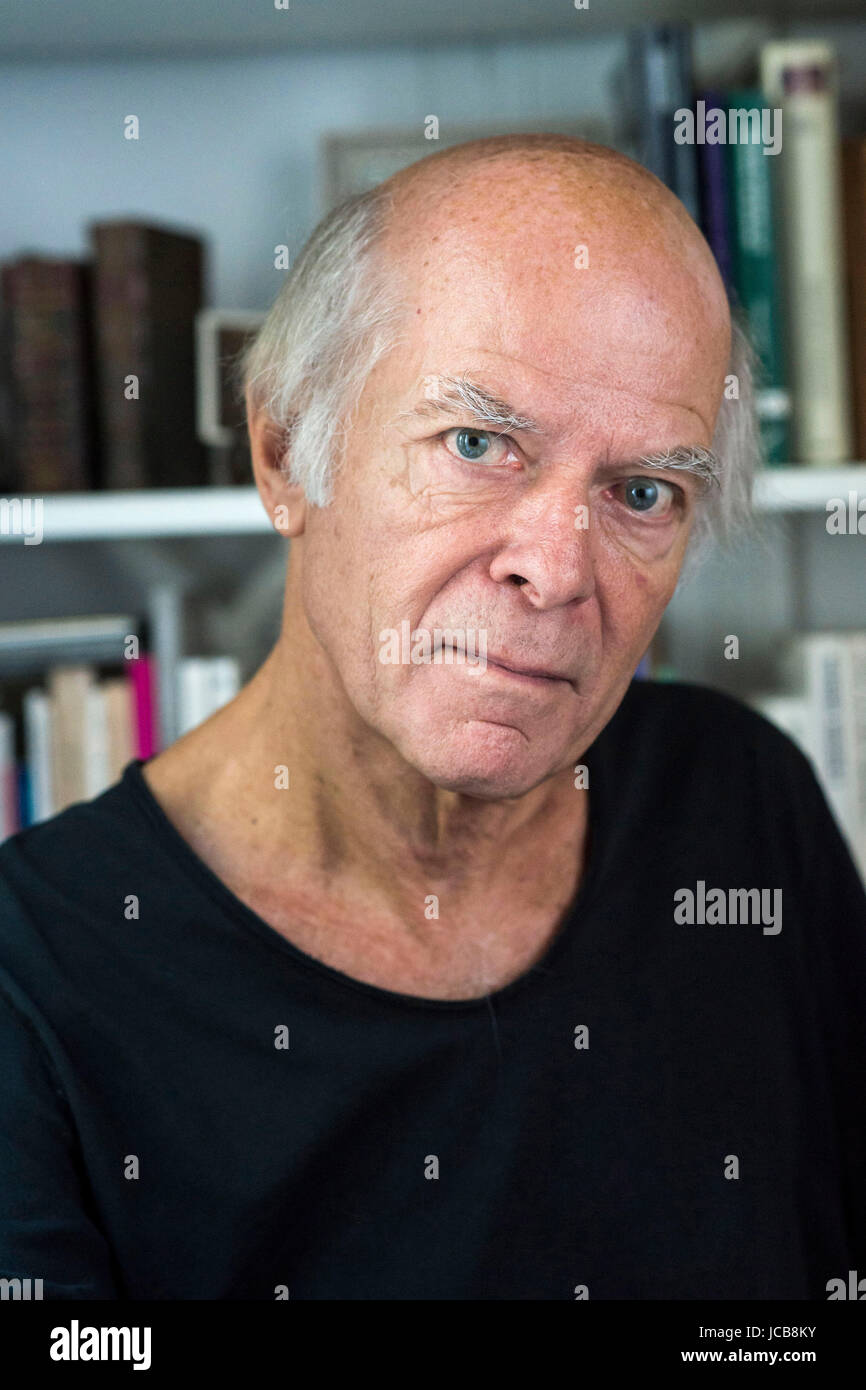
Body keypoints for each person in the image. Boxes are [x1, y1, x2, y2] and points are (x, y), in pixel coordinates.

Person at [1, 136, 864, 1301]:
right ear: (283, 451)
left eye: (642, 492)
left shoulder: (736, 802)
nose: (555, 571)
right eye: (474, 444)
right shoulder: (33, 981)